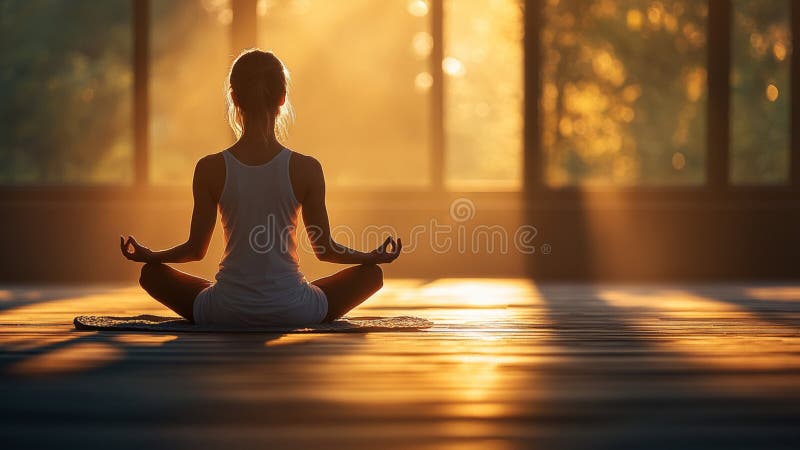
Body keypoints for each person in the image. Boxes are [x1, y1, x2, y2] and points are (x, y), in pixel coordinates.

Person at [120, 49, 401, 326]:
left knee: (151, 274)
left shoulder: (209, 168)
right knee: (372, 275)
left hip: (225, 311)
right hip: (295, 309)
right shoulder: (307, 168)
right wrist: (371, 256)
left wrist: (151, 256)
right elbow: (325, 249)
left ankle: (228, 297)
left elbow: (195, 250)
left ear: (234, 98)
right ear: (282, 98)